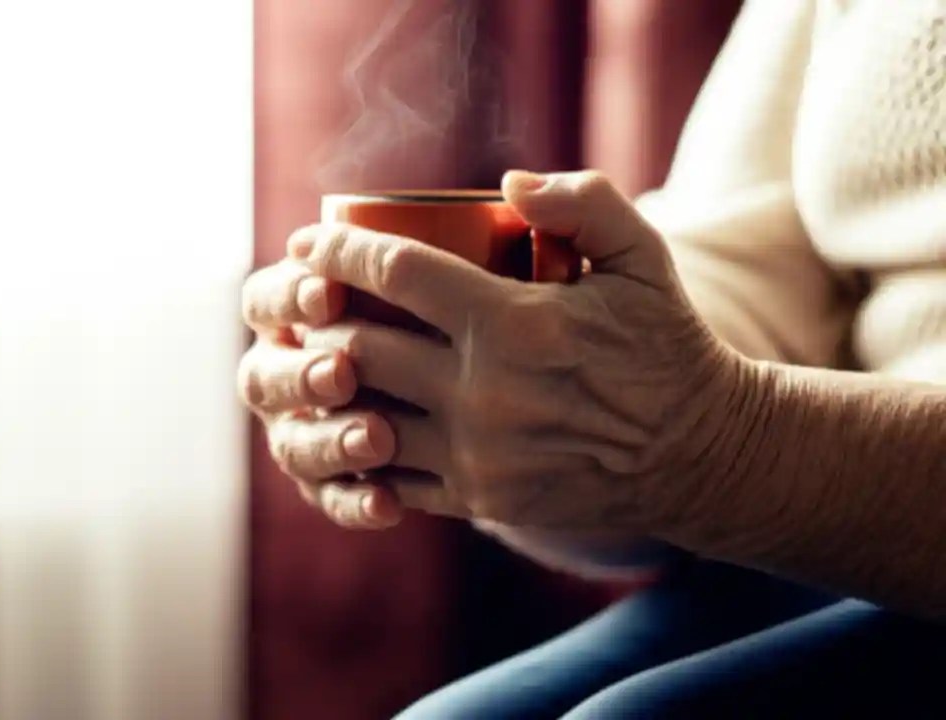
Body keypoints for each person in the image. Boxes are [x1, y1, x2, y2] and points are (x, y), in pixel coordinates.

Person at [239, 0, 946, 717]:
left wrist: (725, 443)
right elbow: (744, 274)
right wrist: (523, 408)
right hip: (830, 554)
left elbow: (724, 435)